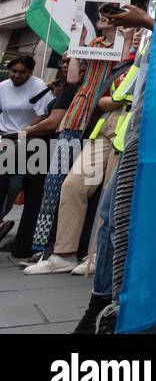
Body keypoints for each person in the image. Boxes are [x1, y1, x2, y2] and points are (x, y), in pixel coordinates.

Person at [26, 42, 136, 276]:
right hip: (103, 129)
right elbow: (104, 100)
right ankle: (63, 254)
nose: (135, 36)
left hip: (126, 131)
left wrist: (118, 98)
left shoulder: (143, 58)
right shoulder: (123, 64)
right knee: (73, 186)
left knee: (109, 194)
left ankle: (97, 255)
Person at [1, 55, 51, 252]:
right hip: (3, 135)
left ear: (30, 72)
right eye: (14, 71)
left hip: (26, 137)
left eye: (22, 72)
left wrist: (22, 132)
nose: (17, 75)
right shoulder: (3, 86)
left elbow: (42, 115)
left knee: (11, 182)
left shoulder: (39, 87)